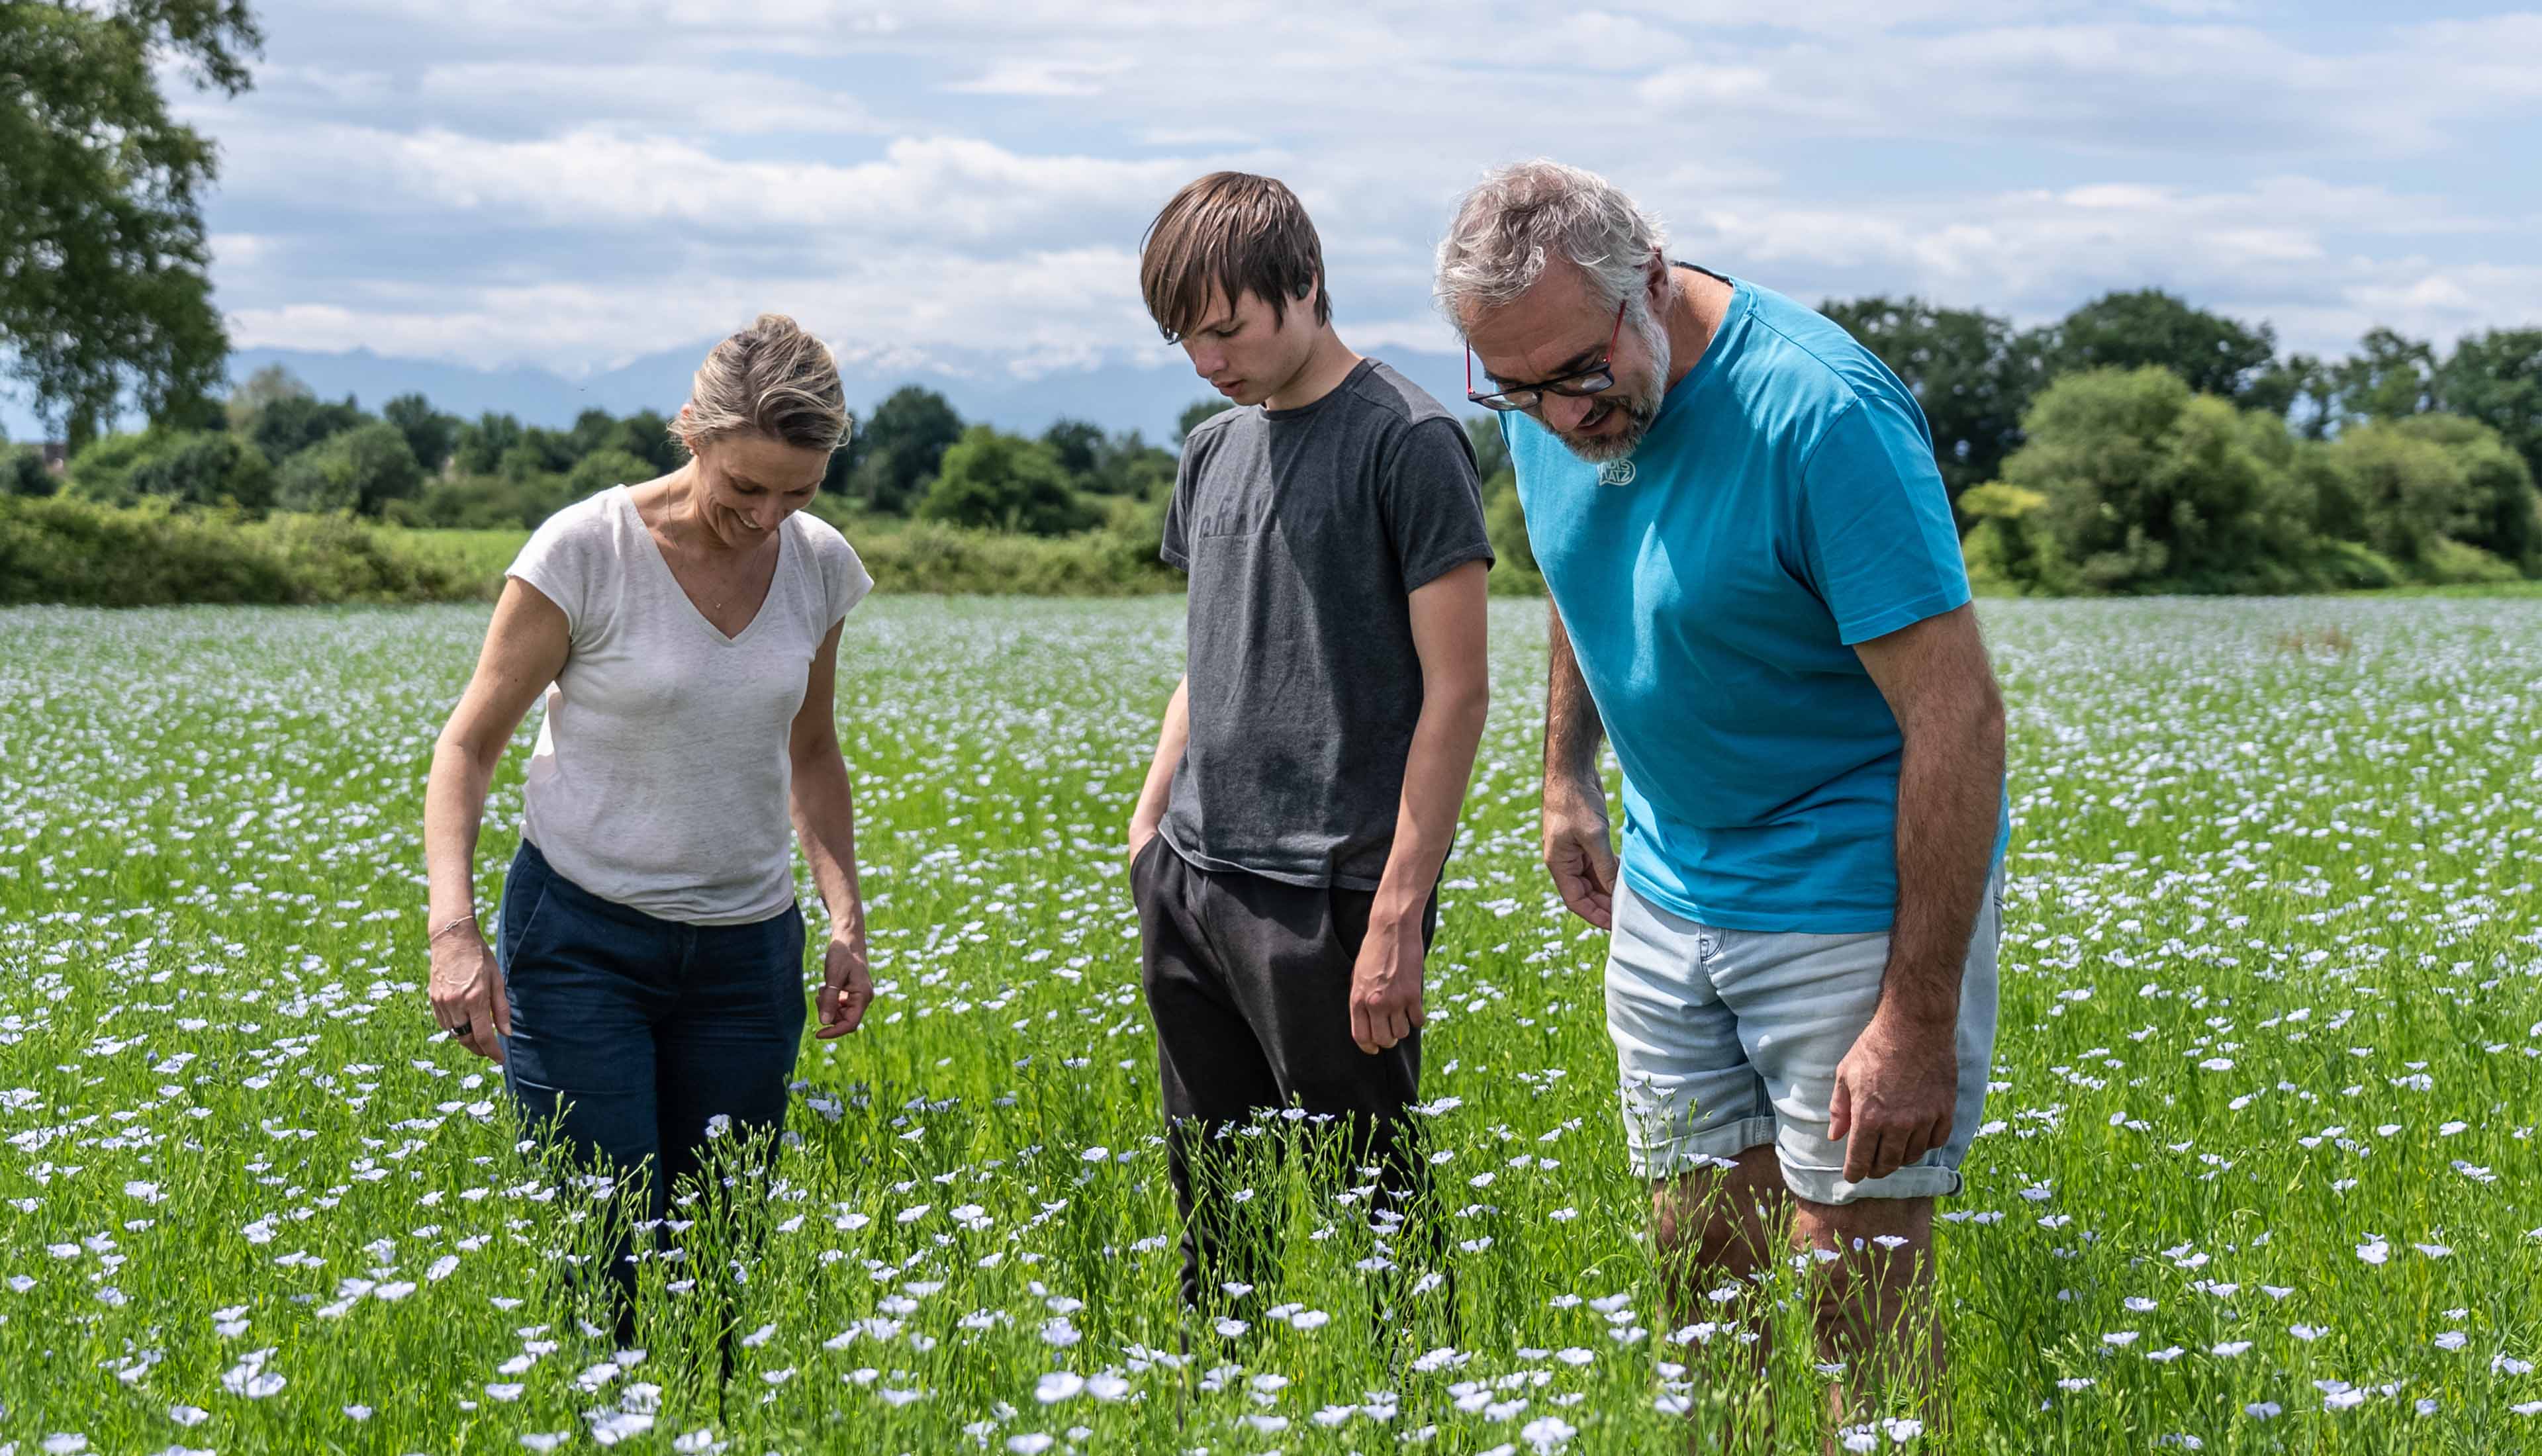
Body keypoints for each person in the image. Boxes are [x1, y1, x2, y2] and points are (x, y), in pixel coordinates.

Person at [1435, 161, 2008, 1429]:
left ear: (1651, 278)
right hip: (1669, 881)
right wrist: (1564, 772)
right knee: (1700, 1264)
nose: (1561, 418)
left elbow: (1958, 715)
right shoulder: (1550, 403)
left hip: (1846, 887)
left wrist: (1915, 1016)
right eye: (1514, 389)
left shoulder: (1821, 412)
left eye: (1580, 374)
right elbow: (1586, 579)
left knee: (1854, 1270)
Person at [421, 313, 878, 1345]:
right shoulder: (584, 551)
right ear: (692, 434)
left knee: (720, 1262)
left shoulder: (819, 566)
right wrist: (455, 932)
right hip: (582, 942)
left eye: (799, 492)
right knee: (609, 1255)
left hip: (748, 956)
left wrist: (845, 919)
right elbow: (467, 748)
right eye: (745, 488)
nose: (769, 517)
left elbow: (813, 750)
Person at [1125, 172, 1493, 1332]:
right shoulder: (1210, 450)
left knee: (1374, 1198)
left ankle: (1423, 1396)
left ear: (1308, 287)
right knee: (1211, 1198)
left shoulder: (1411, 440)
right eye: (1186, 337)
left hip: (1333, 885)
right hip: (1194, 870)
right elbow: (1211, 649)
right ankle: (1220, 1388)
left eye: (1228, 328)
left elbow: (1459, 695)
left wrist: (1396, 915)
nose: (1208, 361)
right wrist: (1149, 829)